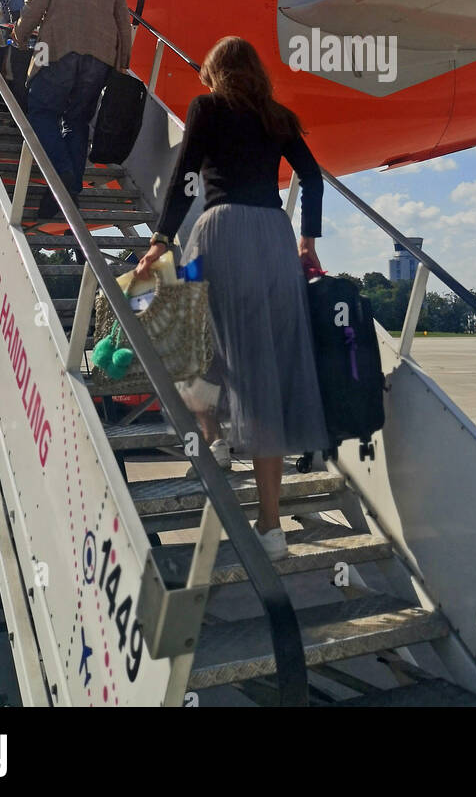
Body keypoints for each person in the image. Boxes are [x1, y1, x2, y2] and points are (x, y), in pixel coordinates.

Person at [135, 36, 328, 562]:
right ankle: (272, 527)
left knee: (190, 335)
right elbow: (312, 177)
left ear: (216, 71)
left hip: (220, 235)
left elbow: (185, 175)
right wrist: (307, 239)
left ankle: (213, 436)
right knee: (262, 367)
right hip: (272, 236)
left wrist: (160, 238)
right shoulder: (278, 116)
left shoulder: (208, 107)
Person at [12, 0, 132, 221]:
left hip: (57, 48)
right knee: (77, 121)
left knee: (41, 111)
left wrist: (19, 33)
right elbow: (122, 20)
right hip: (100, 57)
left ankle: (62, 171)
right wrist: (122, 62)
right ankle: (71, 188)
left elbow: (36, 1)